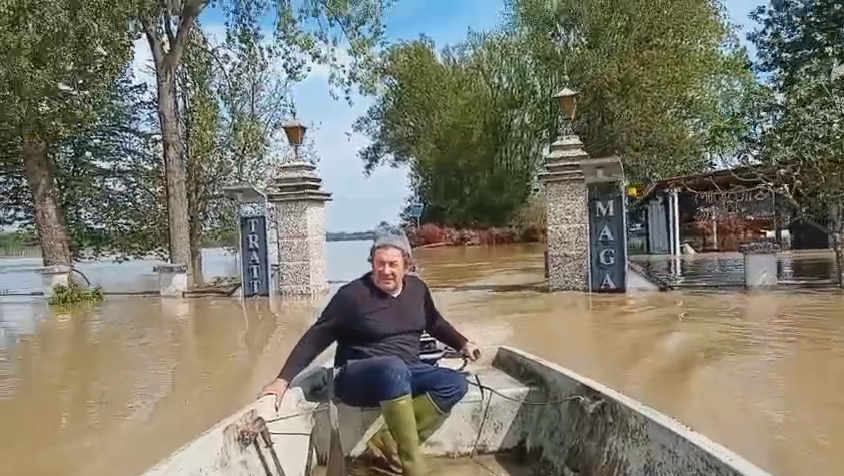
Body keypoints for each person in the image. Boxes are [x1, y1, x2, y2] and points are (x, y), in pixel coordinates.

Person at [261, 224, 479, 475]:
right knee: (393, 367)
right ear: (372, 263)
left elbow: (435, 323)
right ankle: (412, 465)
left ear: (407, 265)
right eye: (379, 264)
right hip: (355, 378)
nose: (385, 271)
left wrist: (464, 344)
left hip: (405, 372)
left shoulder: (418, 290)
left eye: (392, 264)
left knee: (454, 383)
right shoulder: (352, 296)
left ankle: (387, 441)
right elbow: (317, 336)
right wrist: (282, 380)